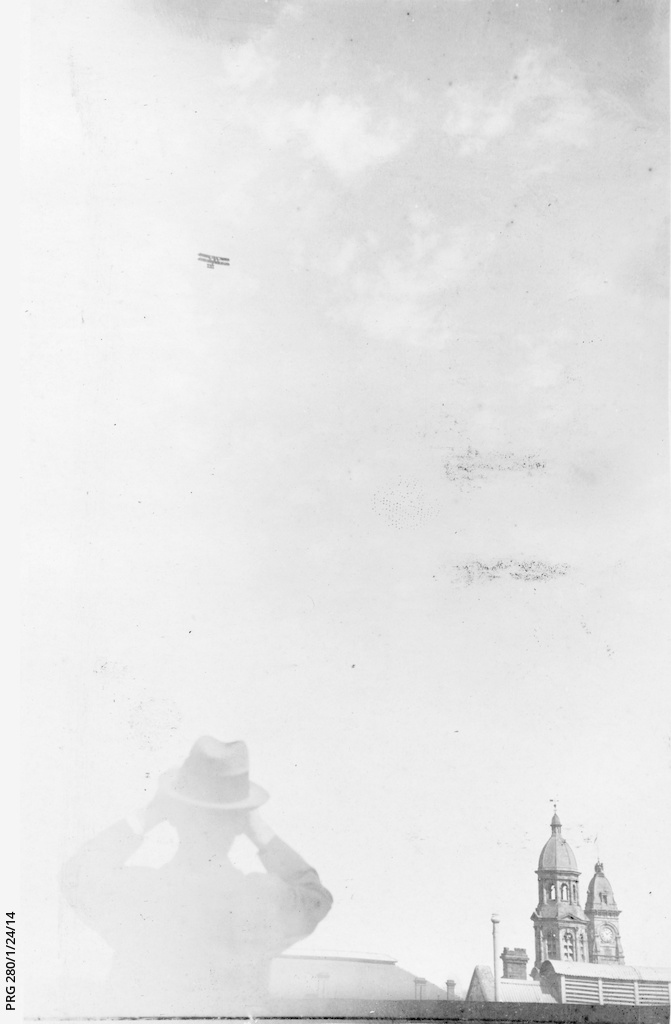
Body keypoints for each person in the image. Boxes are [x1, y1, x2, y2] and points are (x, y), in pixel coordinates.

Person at [60, 736, 333, 1017]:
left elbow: (76, 876)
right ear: (240, 823)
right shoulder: (261, 900)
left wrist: (151, 813)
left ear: (175, 816)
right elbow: (316, 897)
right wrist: (258, 830)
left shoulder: (140, 892)